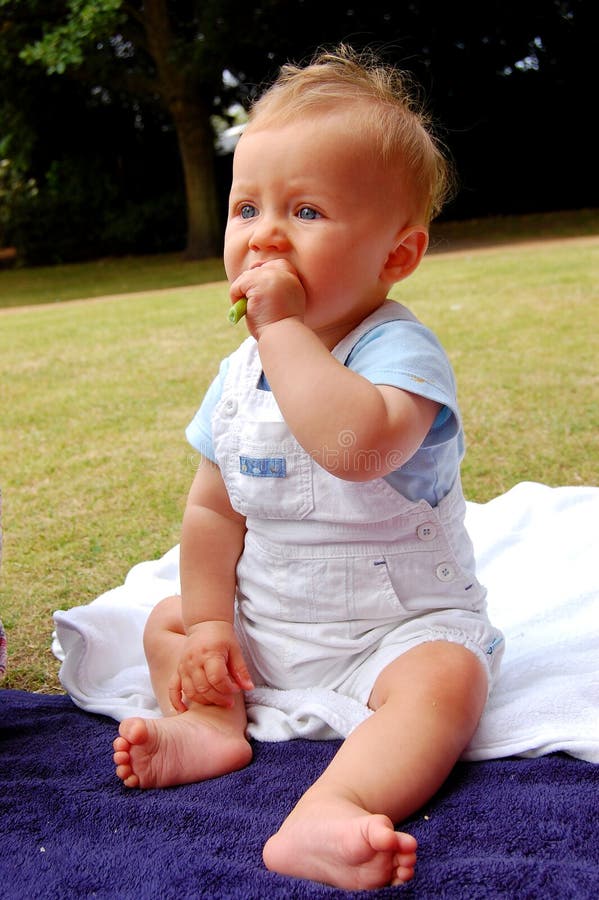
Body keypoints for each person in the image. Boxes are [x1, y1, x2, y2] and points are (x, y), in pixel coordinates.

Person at [113, 45, 504, 890]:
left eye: (307, 211)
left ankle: (336, 802)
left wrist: (284, 332)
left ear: (396, 256)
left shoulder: (400, 352)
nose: (264, 235)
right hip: (270, 623)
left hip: (390, 629)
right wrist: (216, 628)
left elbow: (354, 449)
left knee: (447, 682)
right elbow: (214, 514)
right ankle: (214, 724)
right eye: (246, 206)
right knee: (167, 621)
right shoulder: (237, 376)